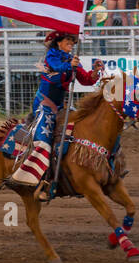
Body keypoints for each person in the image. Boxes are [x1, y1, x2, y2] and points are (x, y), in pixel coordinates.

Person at [9, 31, 103, 195]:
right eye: (68, 40)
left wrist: (95, 72)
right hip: (44, 104)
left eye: (73, 41)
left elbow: (86, 80)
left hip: (61, 105)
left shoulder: (71, 59)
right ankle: (40, 177)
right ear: (58, 42)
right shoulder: (51, 56)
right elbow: (56, 67)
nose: (72, 44)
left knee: (78, 131)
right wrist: (71, 65)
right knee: (44, 140)